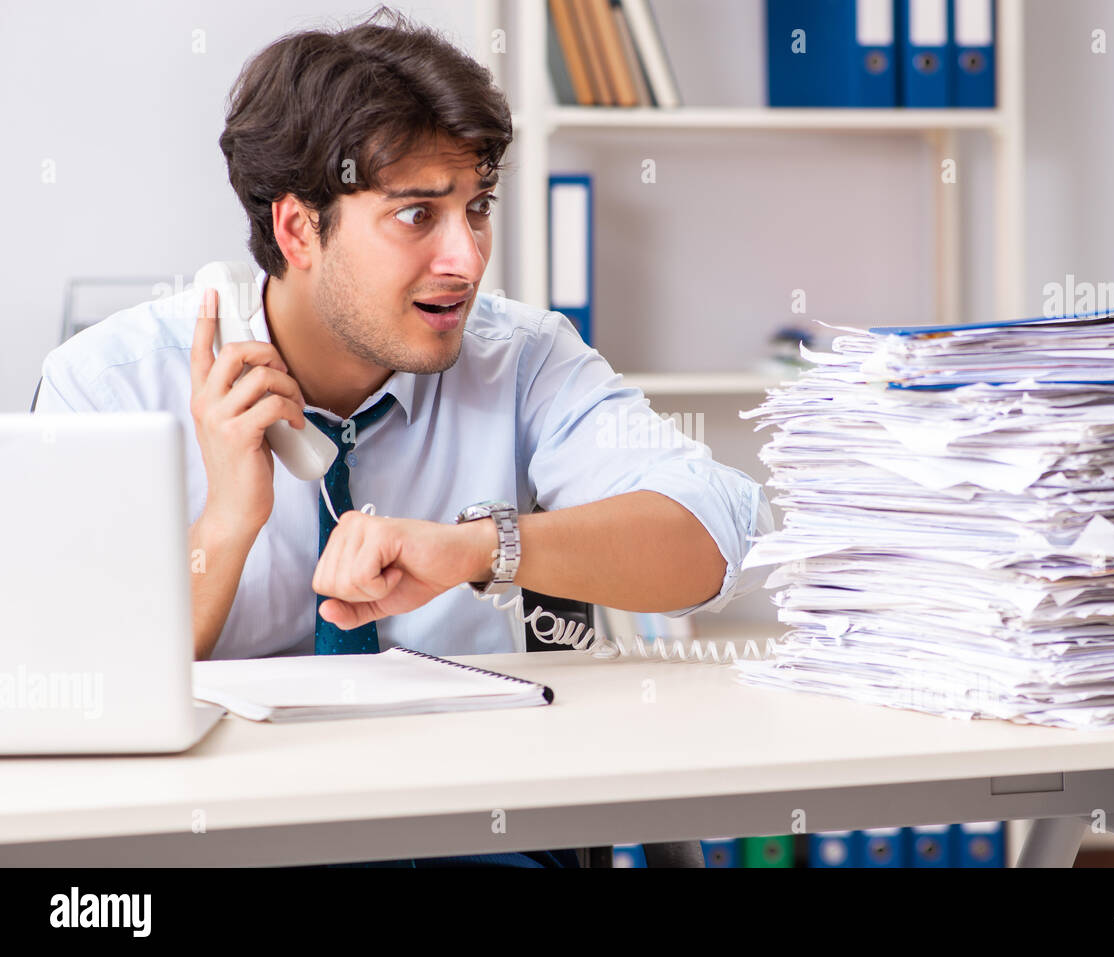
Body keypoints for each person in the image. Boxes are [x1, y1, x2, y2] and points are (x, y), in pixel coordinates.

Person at [33, 7, 772, 868]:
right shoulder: (109, 382)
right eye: (418, 214)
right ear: (298, 228)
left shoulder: (524, 358)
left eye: (478, 206)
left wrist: (475, 549)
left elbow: (723, 533)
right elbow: (80, 695)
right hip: (222, 846)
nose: (466, 257)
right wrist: (225, 526)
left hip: (471, 836)